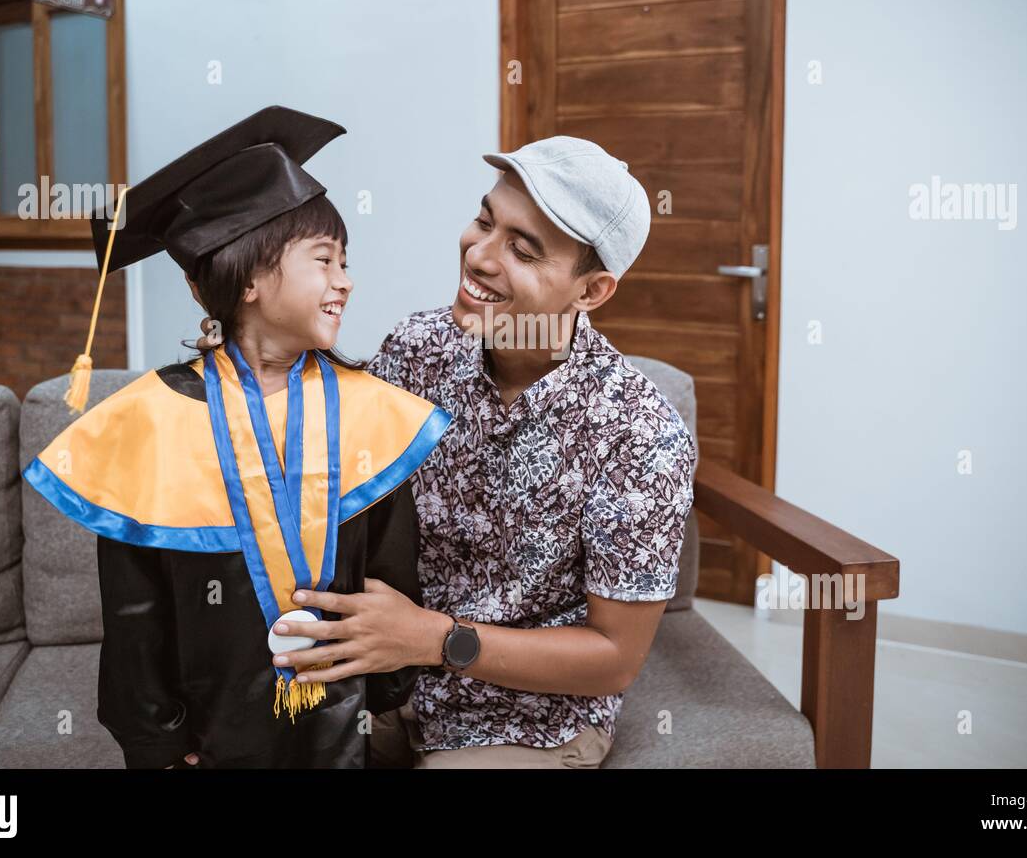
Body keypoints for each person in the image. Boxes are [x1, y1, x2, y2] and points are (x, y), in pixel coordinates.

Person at [199, 135, 696, 768]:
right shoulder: (417, 348)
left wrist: (432, 640)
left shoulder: (639, 434)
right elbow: (326, 481)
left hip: (522, 722)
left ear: (592, 290)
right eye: (486, 221)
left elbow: (615, 658)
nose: (480, 255)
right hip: (378, 685)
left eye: (523, 249)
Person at [22, 106, 451, 768]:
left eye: (346, 260)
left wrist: (389, 694)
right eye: (324, 259)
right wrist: (158, 744)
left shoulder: (374, 413)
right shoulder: (148, 422)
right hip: (213, 733)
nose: (347, 280)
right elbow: (136, 617)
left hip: (344, 728)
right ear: (248, 278)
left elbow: (392, 577)